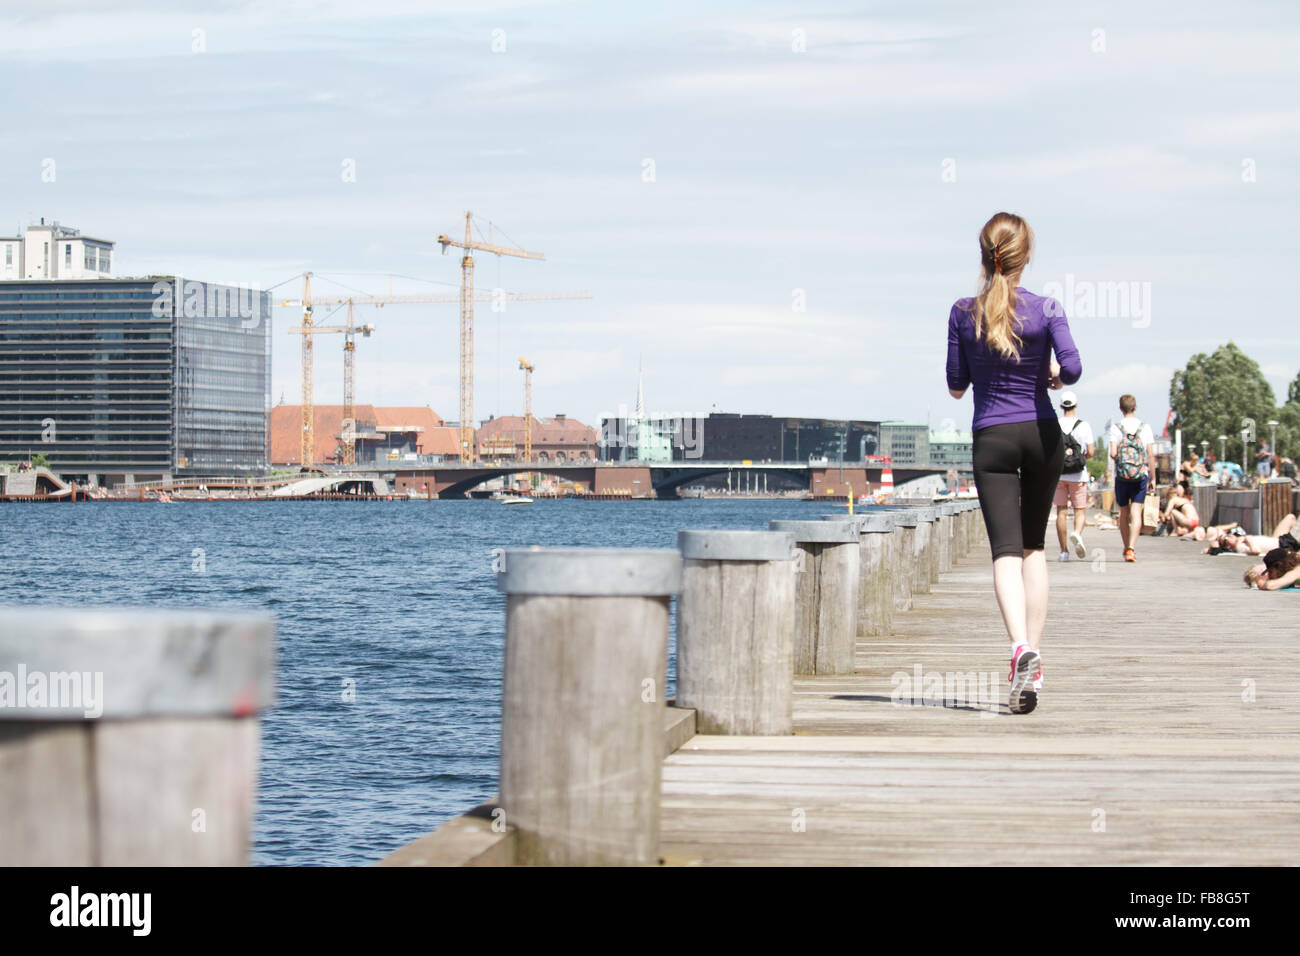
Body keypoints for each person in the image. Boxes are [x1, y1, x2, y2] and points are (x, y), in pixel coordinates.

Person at [946, 211, 1081, 715]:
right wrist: (1053, 375)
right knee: (1033, 548)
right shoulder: (1047, 308)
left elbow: (956, 386)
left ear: (985, 256)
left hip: (993, 439)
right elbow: (1073, 367)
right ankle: (1035, 659)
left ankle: (1019, 647)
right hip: (1041, 434)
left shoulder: (963, 311)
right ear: (1026, 257)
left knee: (1003, 551)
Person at [1107, 395, 1157, 563]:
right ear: (1135, 407)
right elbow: (1150, 455)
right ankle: (1131, 549)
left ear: (1120, 409)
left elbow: (1113, 453)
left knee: (1124, 512)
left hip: (1122, 476)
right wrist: (1153, 477)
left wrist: (1123, 460)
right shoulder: (1145, 428)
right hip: (1140, 475)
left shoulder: (1116, 428)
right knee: (1136, 512)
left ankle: (1125, 544)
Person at [1052, 391, 1094, 561]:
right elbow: (1090, 451)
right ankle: (1077, 532)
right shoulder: (1084, 425)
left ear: (1061, 406)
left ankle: (1064, 552)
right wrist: (1081, 457)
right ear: (1076, 405)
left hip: (1059, 474)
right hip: (1078, 476)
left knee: (1061, 511)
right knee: (1079, 510)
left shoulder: (1054, 424)